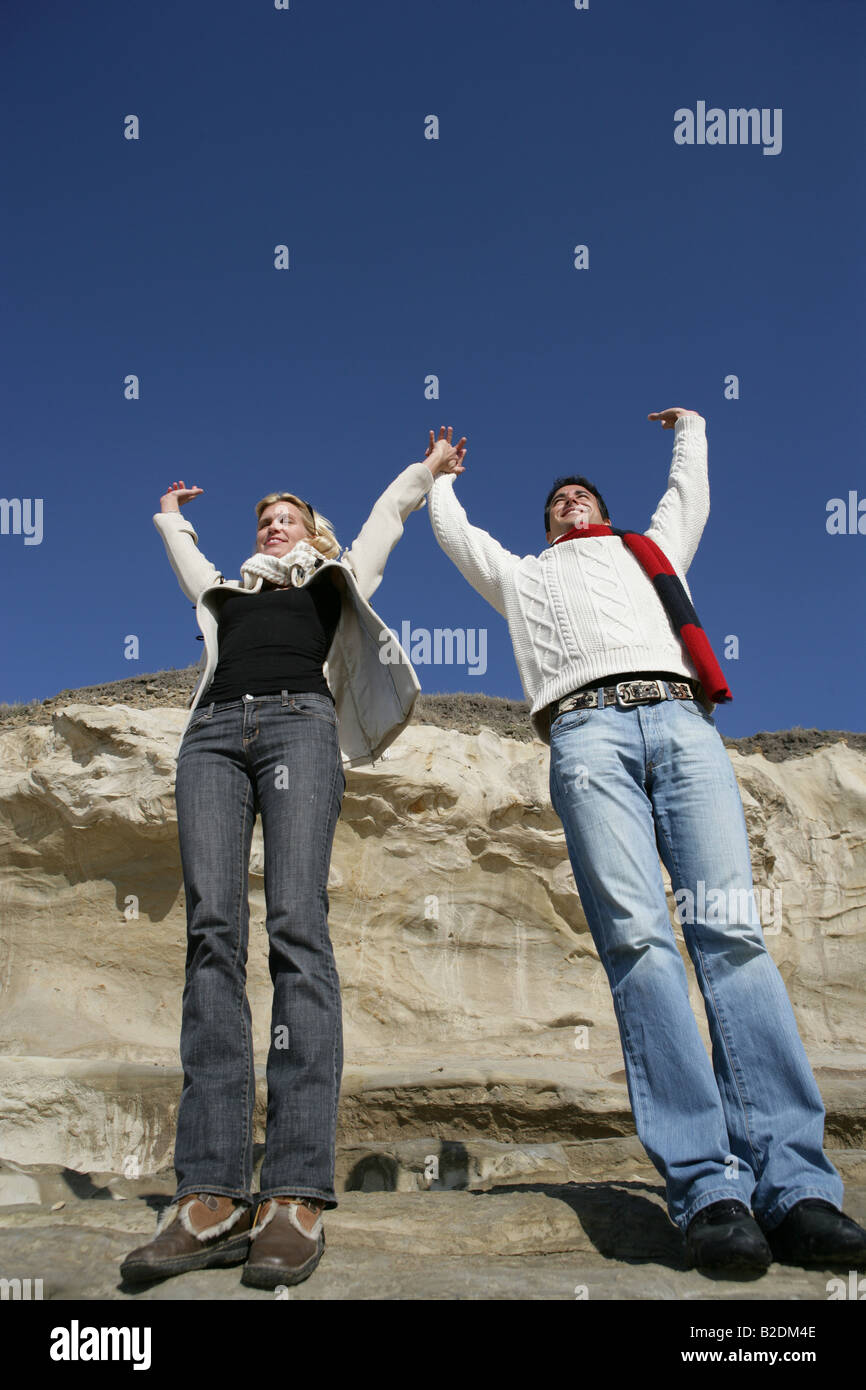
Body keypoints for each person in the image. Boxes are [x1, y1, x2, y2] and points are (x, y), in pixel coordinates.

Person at [425, 413, 866, 1273]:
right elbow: (457, 536)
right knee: (640, 944)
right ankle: (710, 1191)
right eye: (556, 501)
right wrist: (439, 475)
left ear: (601, 507)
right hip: (585, 733)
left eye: (580, 493)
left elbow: (686, 498)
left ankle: (798, 1188)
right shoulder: (520, 577)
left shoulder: (647, 554)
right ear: (546, 524)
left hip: (681, 721)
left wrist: (692, 430)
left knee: (732, 936)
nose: (569, 502)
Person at [121, 435, 464, 1290]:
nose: (273, 528)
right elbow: (188, 563)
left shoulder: (335, 578)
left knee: (297, 930)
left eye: (288, 518)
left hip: (298, 728)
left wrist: (426, 472)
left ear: (314, 532)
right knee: (211, 935)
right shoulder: (225, 591)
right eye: (266, 520)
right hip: (209, 739)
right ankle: (210, 1197)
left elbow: (386, 519)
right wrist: (169, 519)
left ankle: (295, 1195)